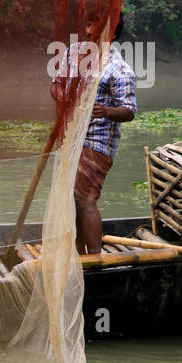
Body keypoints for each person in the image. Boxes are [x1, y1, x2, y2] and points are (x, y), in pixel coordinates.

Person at [52, 14, 137, 254]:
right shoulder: (74, 52)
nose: (89, 32)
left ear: (110, 34)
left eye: (95, 28)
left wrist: (106, 110)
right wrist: (65, 100)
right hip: (71, 137)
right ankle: (79, 255)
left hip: (97, 140)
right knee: (70, 200)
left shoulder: (119, 68)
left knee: (84, 198)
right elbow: (56, 84)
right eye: (87, 25)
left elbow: (129, 111)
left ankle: (96, 258)